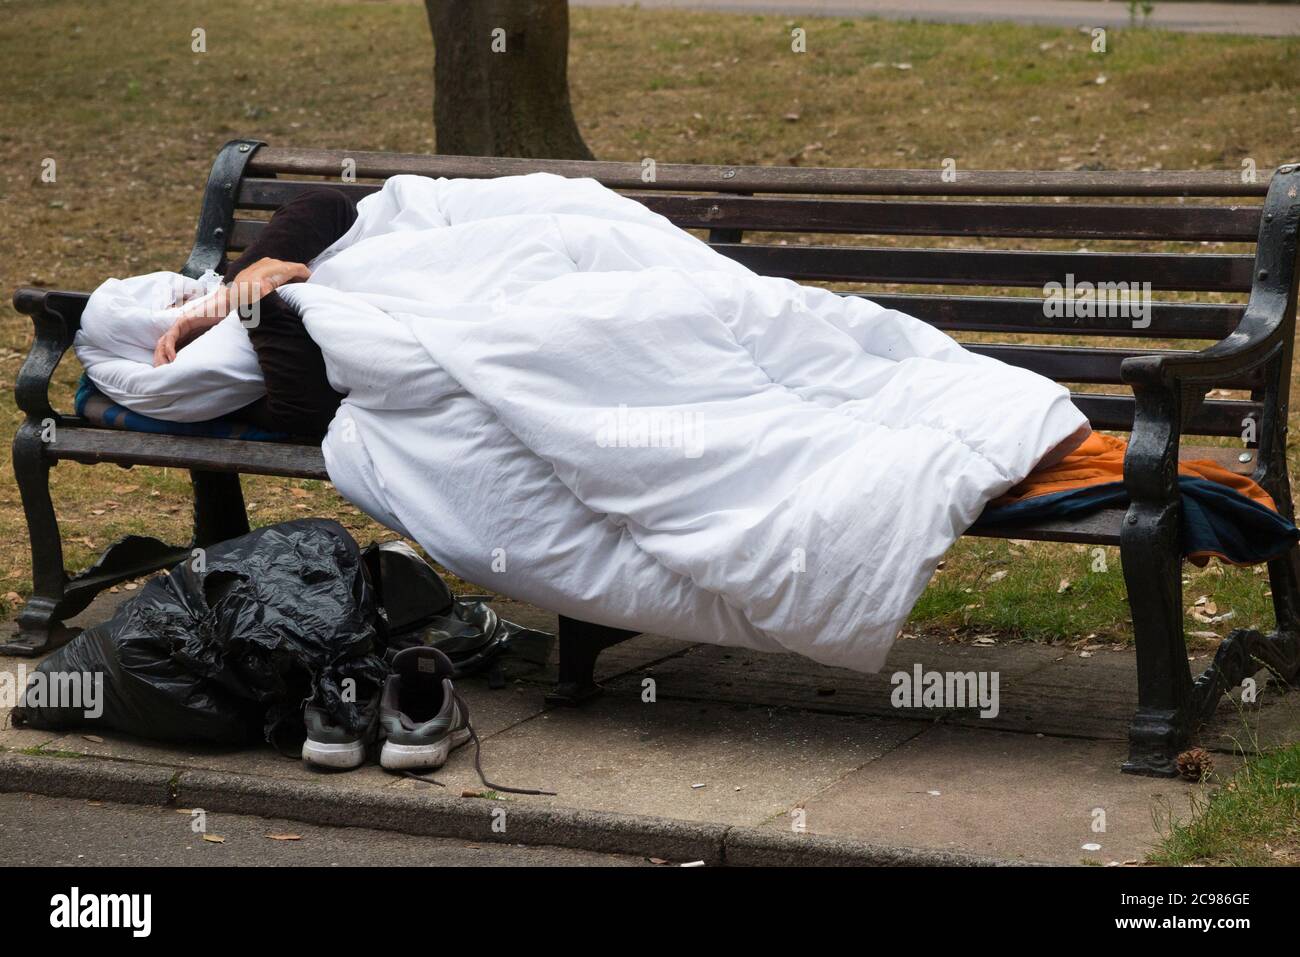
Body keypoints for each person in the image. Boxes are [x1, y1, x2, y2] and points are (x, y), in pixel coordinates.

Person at [154, 188, 359, 438]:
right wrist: (251, 295)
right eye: (175, 305)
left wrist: (229, 295)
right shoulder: (223, 376)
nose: (182, 304)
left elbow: (329, 203)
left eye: (179, 302)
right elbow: (305, 415)